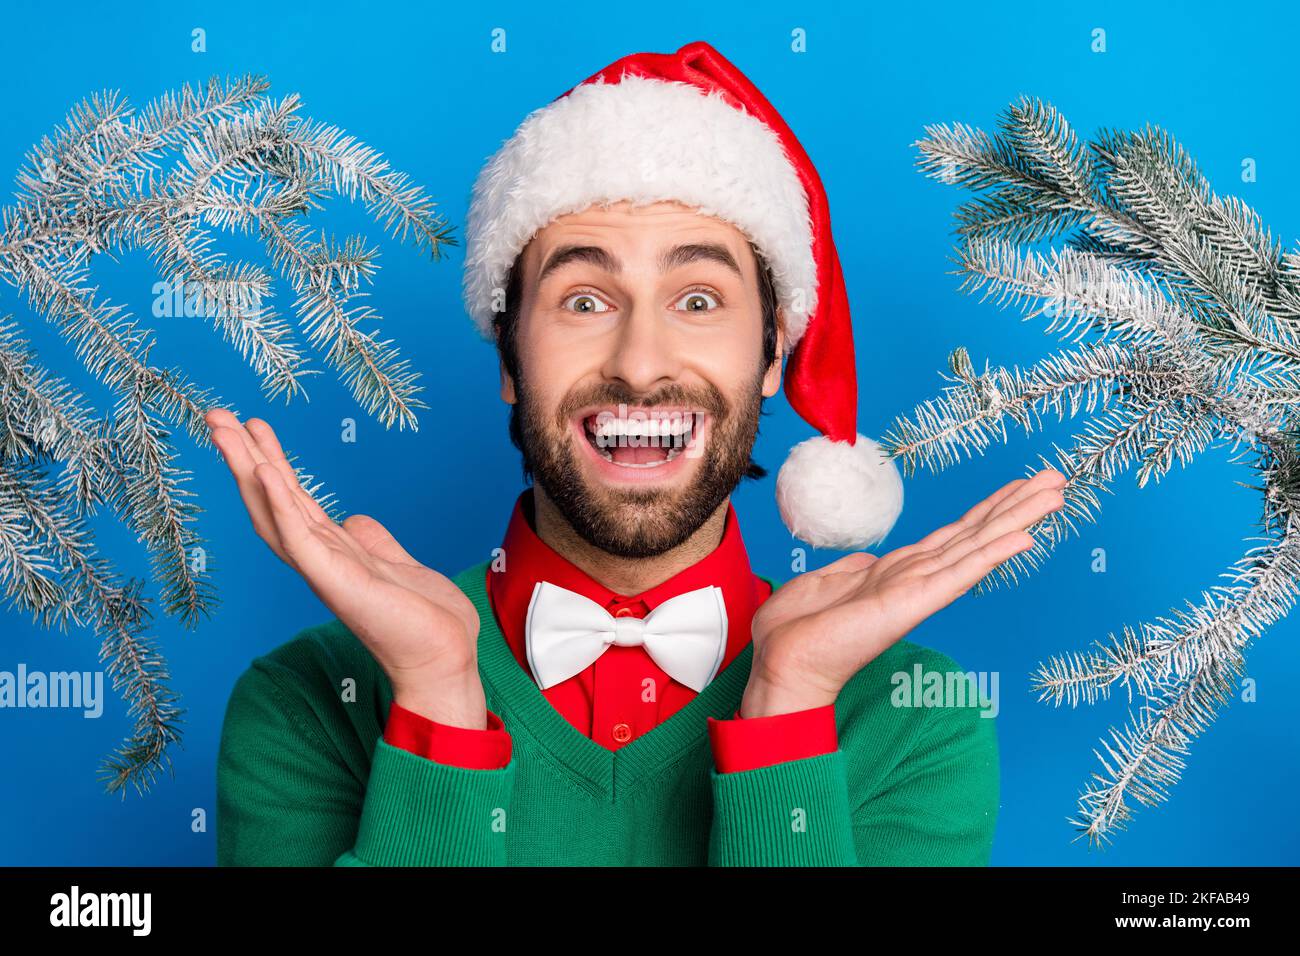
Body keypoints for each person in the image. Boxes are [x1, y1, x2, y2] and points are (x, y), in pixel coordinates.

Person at [212, 39, 1065, 866]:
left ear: (773, 353)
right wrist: (436, 702)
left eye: (698, 298)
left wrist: (787, 713)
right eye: (584, 300)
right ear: (509, 355)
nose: (639, 362)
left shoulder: (914, 721)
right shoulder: (308, 703)